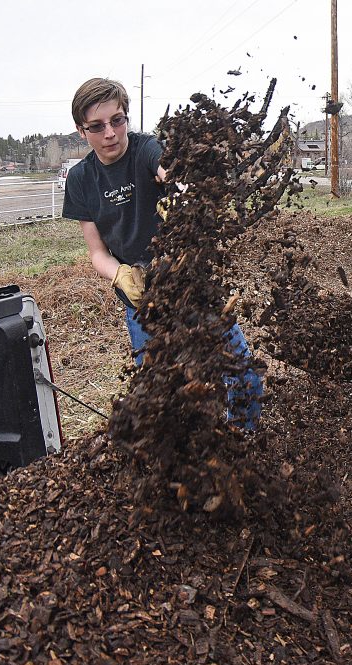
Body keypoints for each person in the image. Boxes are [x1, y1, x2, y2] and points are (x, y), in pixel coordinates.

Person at [61, 78, 262, 428]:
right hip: (143, 301)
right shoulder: (81, 180)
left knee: (242, 376)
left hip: (190, 283)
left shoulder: (145, 149)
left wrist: (181, 190)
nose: (110, 133)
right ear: (82, 131)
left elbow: (167, 167)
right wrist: (120, 274)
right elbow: (97, 252)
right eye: (97, 126)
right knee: (162, 397)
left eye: (118, 120)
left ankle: (241, 441)